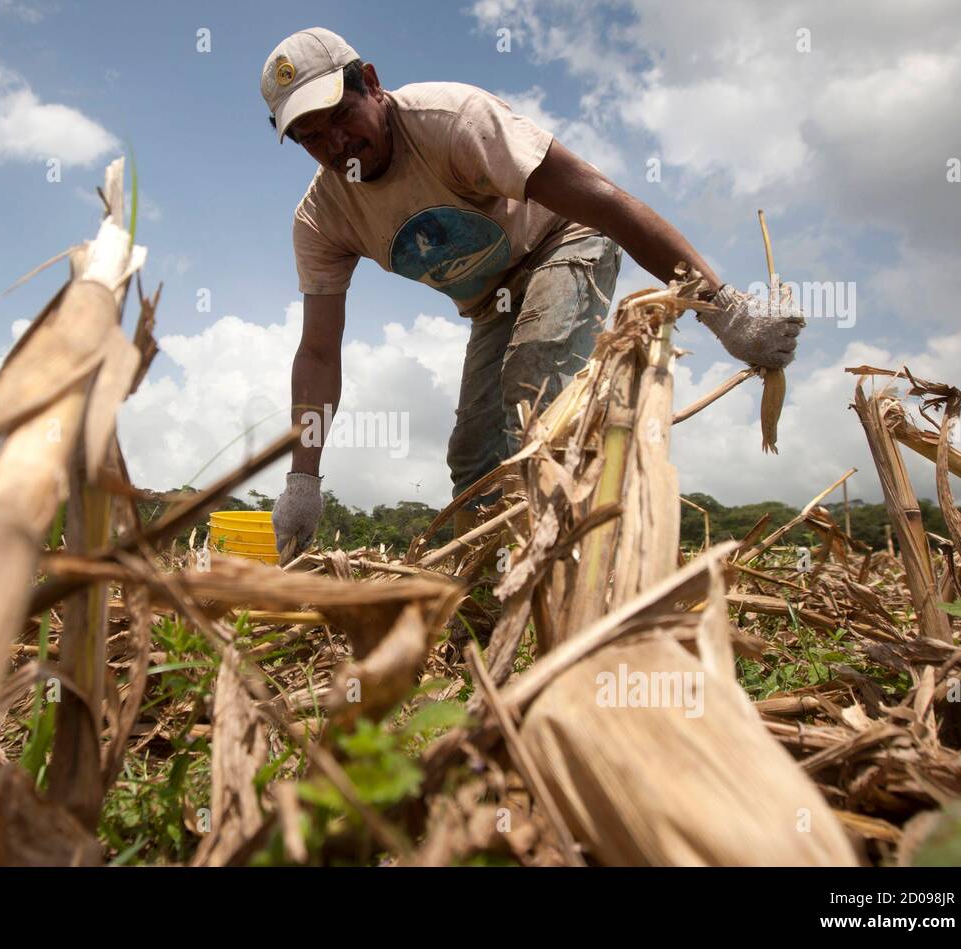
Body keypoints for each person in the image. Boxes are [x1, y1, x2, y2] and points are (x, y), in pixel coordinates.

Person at [262, 27, 804, 561]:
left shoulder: (453, 122)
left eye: (341, 116)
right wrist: (303, 480)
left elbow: (607, 203)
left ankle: (579, 566)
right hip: (490, 298)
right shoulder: (321, 220)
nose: (336, 144)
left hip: (564, 238)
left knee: (536, 389)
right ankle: (482, 597)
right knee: (474, 456)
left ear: (373, 84)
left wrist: (723, 309)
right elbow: (318, 351)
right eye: (311, 135)